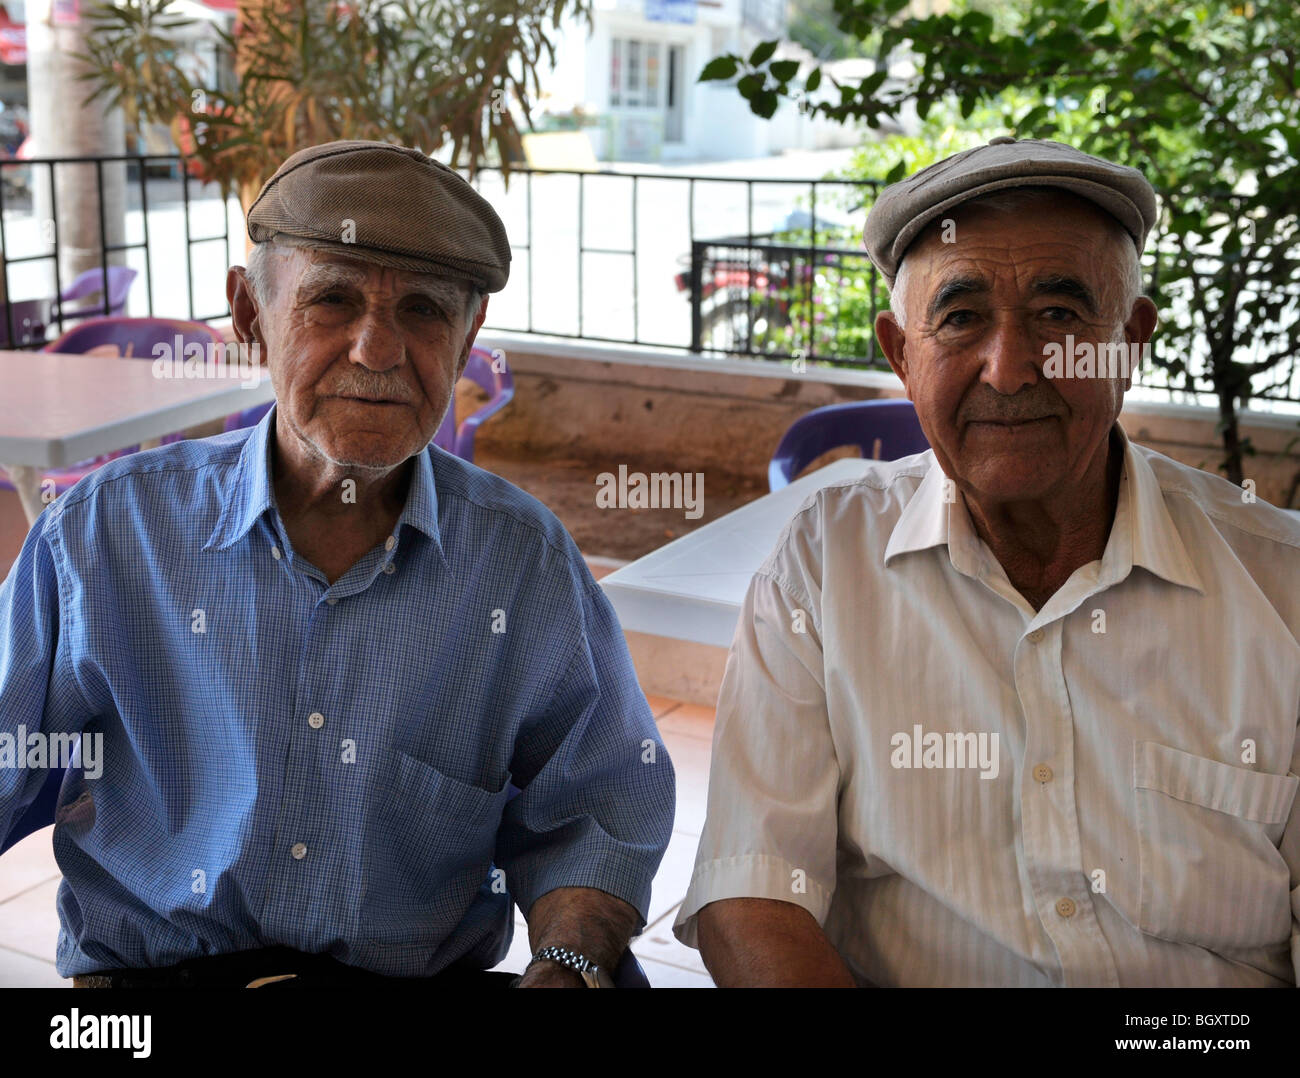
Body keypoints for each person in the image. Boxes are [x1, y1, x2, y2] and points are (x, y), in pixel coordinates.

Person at [0, 140, 675, 988]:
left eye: (425, 310)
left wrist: (569, 963)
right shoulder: (103, 538)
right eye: (331, 300)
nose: (377, 350)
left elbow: (598, 810)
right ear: (249, 314)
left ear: (468, 339)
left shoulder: (520, 565)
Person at [673, 137, 1300, 987]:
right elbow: (750, 896)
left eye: (1061, 316)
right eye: (962, 317)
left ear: (1130, 342)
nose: (1009, 370)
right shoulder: (826, 564)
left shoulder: (1280, 585)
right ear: (900, 353)